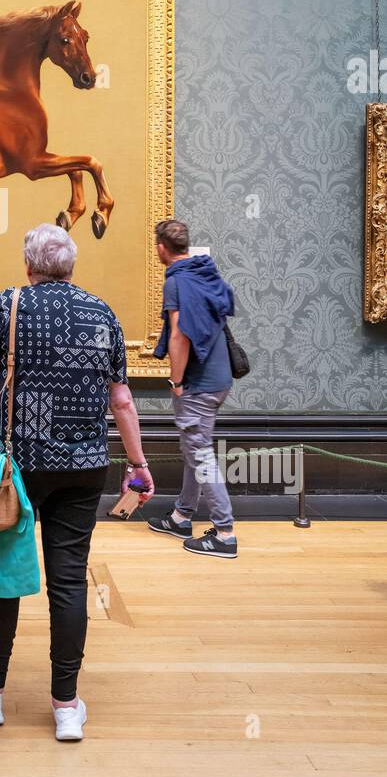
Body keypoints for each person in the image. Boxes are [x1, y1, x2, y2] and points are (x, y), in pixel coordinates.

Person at [0, 223, 155, 742]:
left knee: (3, 575)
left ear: (29, 266)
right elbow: (122, 401)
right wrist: (138, 465)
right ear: (70, 267)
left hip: (15, 467)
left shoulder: (10, 303)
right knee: (69, 582)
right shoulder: (103, 312)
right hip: (83, 467)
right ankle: (66, 706)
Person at [150, 218, 238, 559]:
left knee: (200, 454)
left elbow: (179, 334)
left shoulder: (176, 282)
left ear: (161, 248)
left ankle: (225, 533)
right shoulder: (205, 272)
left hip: (198, 385)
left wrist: (176, 381)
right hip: (220, 379)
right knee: (195, 446)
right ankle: (181, 516)